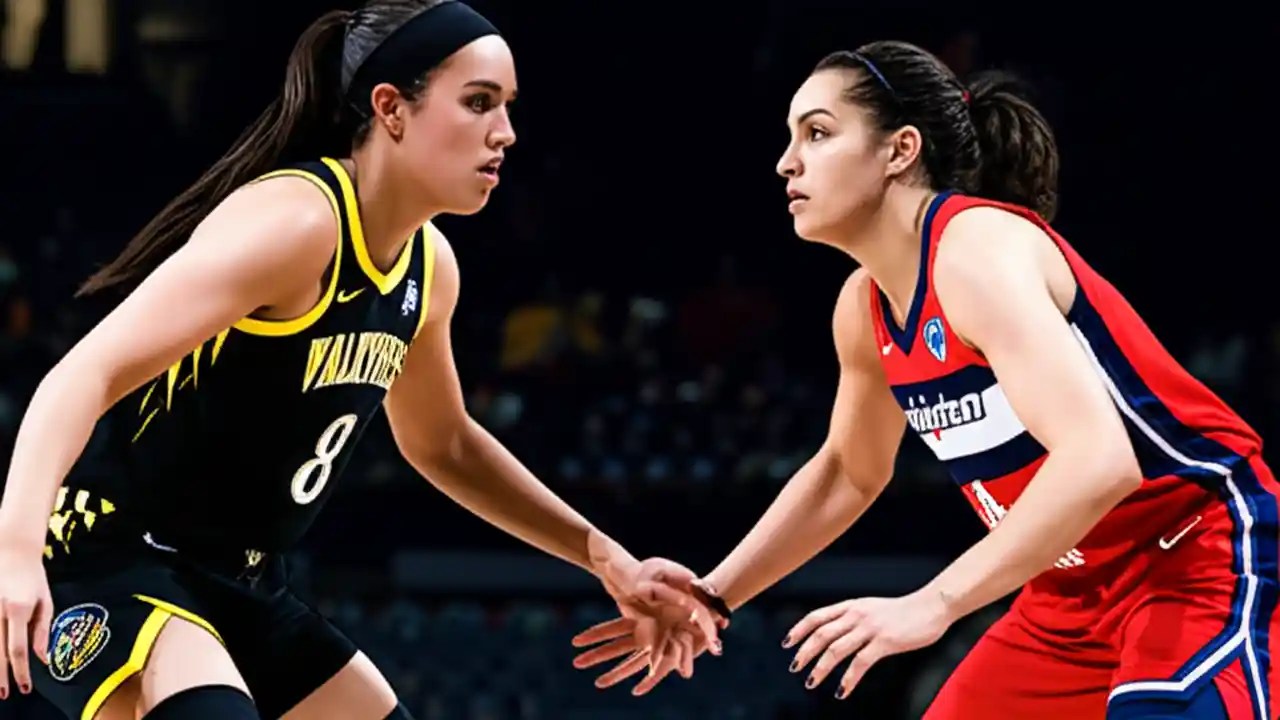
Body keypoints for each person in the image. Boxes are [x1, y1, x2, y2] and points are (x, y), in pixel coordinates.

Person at [0, 2, 722, 719]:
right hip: (115, 554)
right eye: (477, 103)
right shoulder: (298, 223)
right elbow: (81, 373)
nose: (505, 133)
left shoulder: (429, 267)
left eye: (506, 106)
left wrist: (605, 556)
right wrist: (15, 550)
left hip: (243, 579)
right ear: (391, 107)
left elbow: (443, 443)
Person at [571, 40, 1277, 719]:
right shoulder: (864, 306)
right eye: (790, 138)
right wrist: (713, 596)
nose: (787, 162)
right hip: (1068, 594)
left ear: (900, 150)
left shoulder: (976, 250)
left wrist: (932, 603)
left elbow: (1100, 461)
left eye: (817, 134)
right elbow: (849, 472)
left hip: (1200, 553)